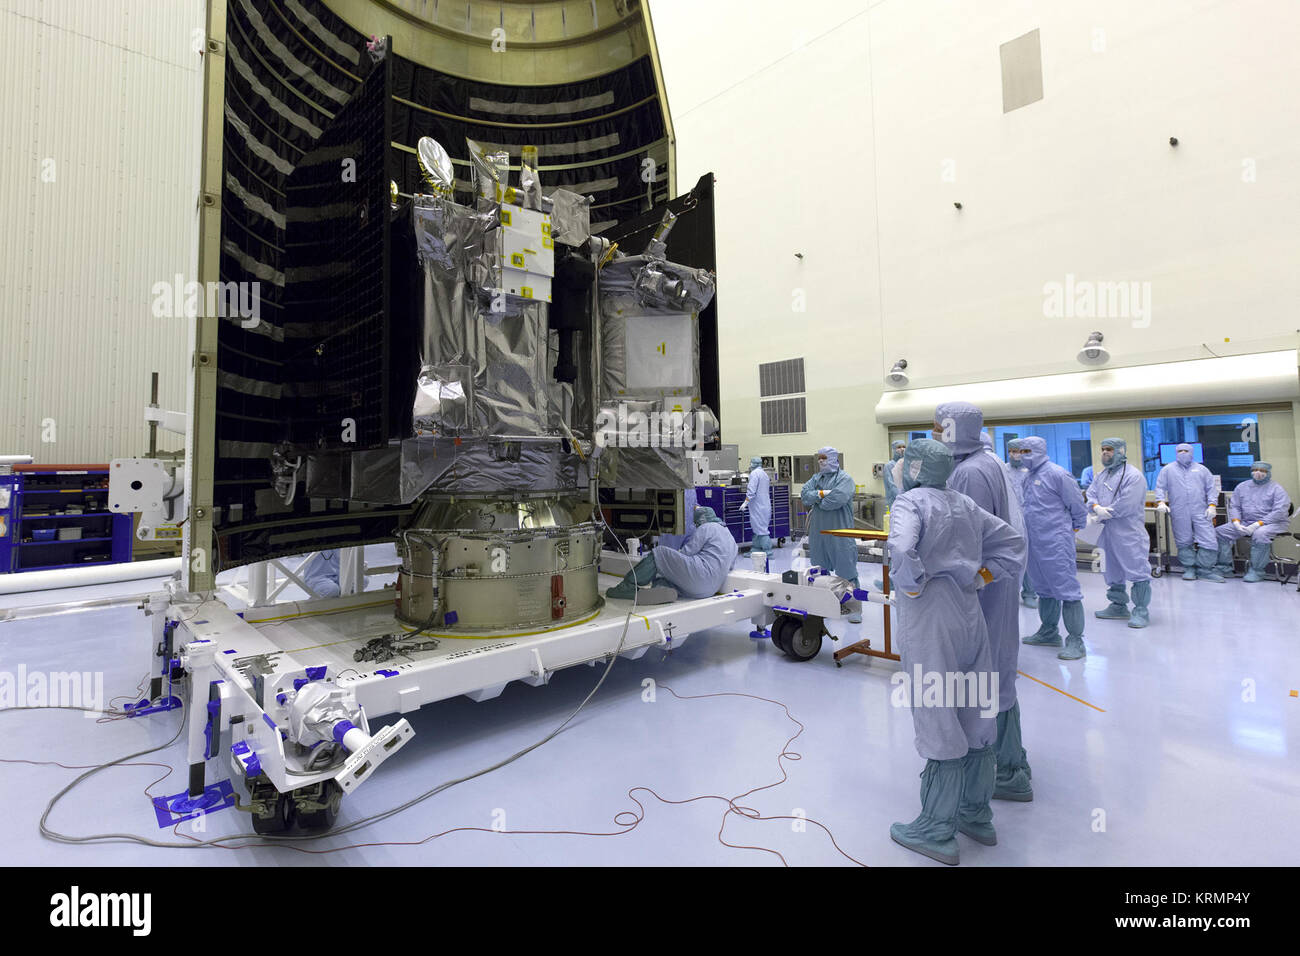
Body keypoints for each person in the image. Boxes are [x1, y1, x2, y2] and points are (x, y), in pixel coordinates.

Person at [887, 439, 1025, 865]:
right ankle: (976, 814)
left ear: (913, 468)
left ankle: (936, 828)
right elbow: (1013, 543)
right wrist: (982, 576)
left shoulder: (910, 502)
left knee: (936, 708)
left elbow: (901, 548)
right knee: (975, 706)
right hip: (969, 614)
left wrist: (910, 583)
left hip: (931, 615)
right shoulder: (964, 502)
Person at [934, 402, 1032, 804]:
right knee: (996, 670)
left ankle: (1005, 769)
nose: (935, 433)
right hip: (997, 581)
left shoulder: (971, 472)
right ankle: (1011, 762)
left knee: (987, 674)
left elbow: (966, 539)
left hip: (986, 586)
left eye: (940, 427)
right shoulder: (985, 462)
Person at [1020, 437, 1090, 667]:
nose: (1023, 455)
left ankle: (1076, 641)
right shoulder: (1027, 476)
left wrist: (1076, 524)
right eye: (1021, 451)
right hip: (1034, 541)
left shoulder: (1057, 474)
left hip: (1056, 541)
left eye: (1028, 451)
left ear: (1040, 450)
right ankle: (1049, 631)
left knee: (1066, 590)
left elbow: (1077, 504)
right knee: (1044, 589)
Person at [606, 506, 738, 602]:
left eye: (696, 523)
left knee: (660, 553)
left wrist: (672, 558)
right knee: (668, 580)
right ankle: (658, 591)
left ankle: (626, 586)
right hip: (708, 590)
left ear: (702, 520)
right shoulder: (731, 539)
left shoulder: (707, 527)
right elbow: (729, 567)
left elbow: (688, 552)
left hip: (699, 575)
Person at [1087, 438, 1152, 628]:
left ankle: (1140, 610)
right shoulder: (1101, 475)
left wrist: (1108, 512)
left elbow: (1127, 504)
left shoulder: (1134, 476)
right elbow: (1091, 494)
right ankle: (1118, 605)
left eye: (1109, 450)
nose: (1105, 453)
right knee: (1110, 568)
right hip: (1105, 531)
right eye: (1103, 449)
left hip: (1128, 532)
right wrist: (1096, 507)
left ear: (1121, 452)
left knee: (1137, 569)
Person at [800, 446, 862, 622]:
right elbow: (805, 496)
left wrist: (818, 499)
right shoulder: (816, 478)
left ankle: (853, 608)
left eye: (824, 458)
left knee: (847, 571)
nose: (821, 461)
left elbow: (836, 500)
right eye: (819, 458)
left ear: (834, 459)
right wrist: (822, 495)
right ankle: (824, 606)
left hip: (840, 532)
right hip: (819, 532)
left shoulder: (845, 479)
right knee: (820, 572)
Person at [1155, 442, 1222, 582]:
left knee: (1209, 540)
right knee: (1183, 541)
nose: (1183, 453)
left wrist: (1212, 505)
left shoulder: (1202, 469)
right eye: (1180, 451)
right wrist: (1160, 502)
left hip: (1201, 510)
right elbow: (1160, 487)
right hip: (1179, 510)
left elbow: (1211, 489)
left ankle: (1205, 570)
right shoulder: (1168, 470)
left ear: (1192, 453)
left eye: (1186, 450)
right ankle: (1189, 568)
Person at [1214, 461, 1292, 582]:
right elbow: (1235, 506)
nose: (1258, 473)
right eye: (1255, 470)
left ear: (1268, 473)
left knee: (1260, 534)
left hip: (1273, 523)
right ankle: (1224, 567)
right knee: (1219, 532)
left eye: (1262, 471)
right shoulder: (1242, 487)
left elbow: (1280, 511)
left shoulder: (1276, 489)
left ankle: (1257, 571)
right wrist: (1236, 522)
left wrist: (1258, 524)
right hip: (1246, 522)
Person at [1006, 440, 1039, 608]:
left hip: (1029, 520)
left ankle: (1030, 593)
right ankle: (1010, 592)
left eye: (1017, 451)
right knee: (1010, 558)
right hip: (1009, 520)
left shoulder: (1031, 472)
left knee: (1029, 559)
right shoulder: (1003, 470)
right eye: (1011, 451)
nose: (1014, 454)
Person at [740, 456, 773, 553]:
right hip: (765, 505)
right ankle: (756, 548)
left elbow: (751, 491)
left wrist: (745, 503)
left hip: (758, 506)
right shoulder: (764, 474)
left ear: (754, 463)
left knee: (761, 529)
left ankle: (767, 551)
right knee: (759, 528)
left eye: (751, 462)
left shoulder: (754, 474)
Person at [882, 439, 906, 511]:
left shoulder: (906, 464)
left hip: (906, 500)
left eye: (904, 446)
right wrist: (901, 498)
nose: (902, 449)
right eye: (899, 447)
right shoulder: (889, 466)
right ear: (894, 449)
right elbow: (892, 485)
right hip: (894, 501)